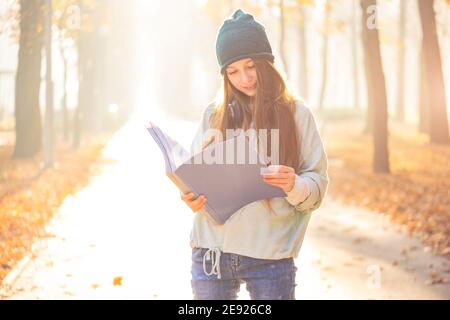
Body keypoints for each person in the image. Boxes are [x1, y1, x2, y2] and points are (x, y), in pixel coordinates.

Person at [180, 9, 329, 300]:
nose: (244, 79)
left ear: (266, 64)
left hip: (270, 257)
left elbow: (317, 186)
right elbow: (193, 184)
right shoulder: (214, 115)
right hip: (212, 255)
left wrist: (293, 185)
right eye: (232, 71)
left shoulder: (297, 115)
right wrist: (191, 195)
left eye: (250, 67)